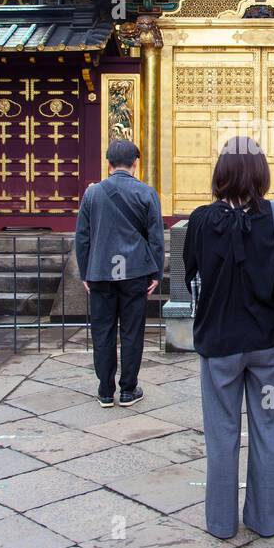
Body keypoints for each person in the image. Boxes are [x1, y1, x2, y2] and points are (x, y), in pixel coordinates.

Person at [183, 136, 274, 539]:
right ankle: (268, 519)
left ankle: (220, 523)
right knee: (269, 431)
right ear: (262, 173)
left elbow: (190, 272)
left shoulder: (199, 220)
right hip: (267, 343)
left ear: (221, 173)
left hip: (219, 344)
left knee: (221, 435)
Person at [74, 140, 164, 409]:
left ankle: (104, 390)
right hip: (135, 271)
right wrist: (156, 273)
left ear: (108, 163)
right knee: (132, 331)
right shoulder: (147, 193)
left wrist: (85, 272)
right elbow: (156, 238)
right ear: (135, 163)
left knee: (102, 331)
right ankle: (128, 389)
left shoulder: (92, 194)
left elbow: (82, 237)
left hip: (100, 271)